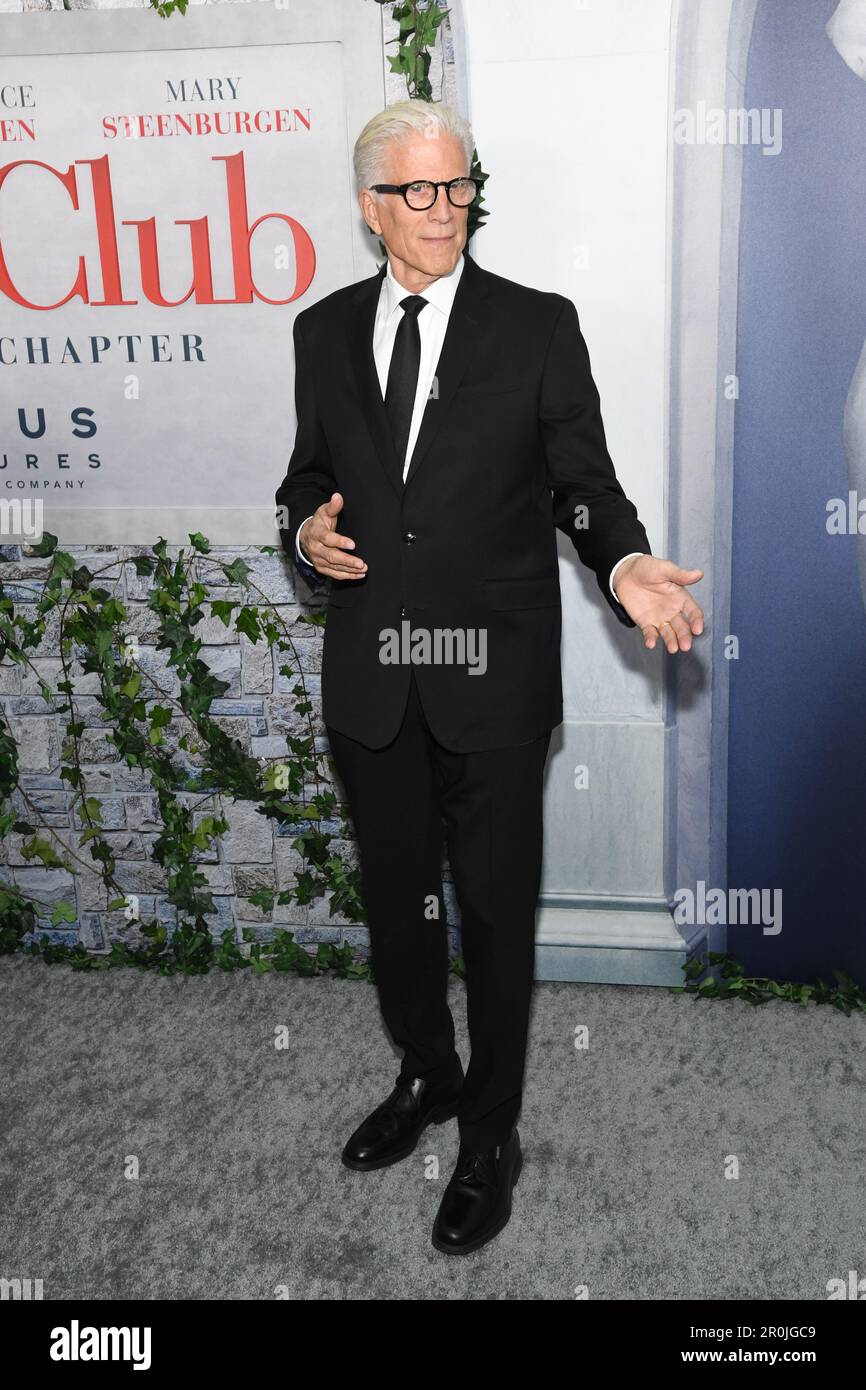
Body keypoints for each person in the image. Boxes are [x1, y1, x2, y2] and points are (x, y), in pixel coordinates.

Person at [275, 99, 704, 1255]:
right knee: (402, 912)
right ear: (371, 206)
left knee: (493, 917)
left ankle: (491, 1137)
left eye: (457, 185)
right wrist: (303, 538)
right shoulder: (321, 333)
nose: (443, 208)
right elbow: (307, 478)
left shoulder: (534, 327)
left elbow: (580, 485)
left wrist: (620, 565)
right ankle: (427, 1076)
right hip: (374, 676)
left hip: (492, 681)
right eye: (416, 190)